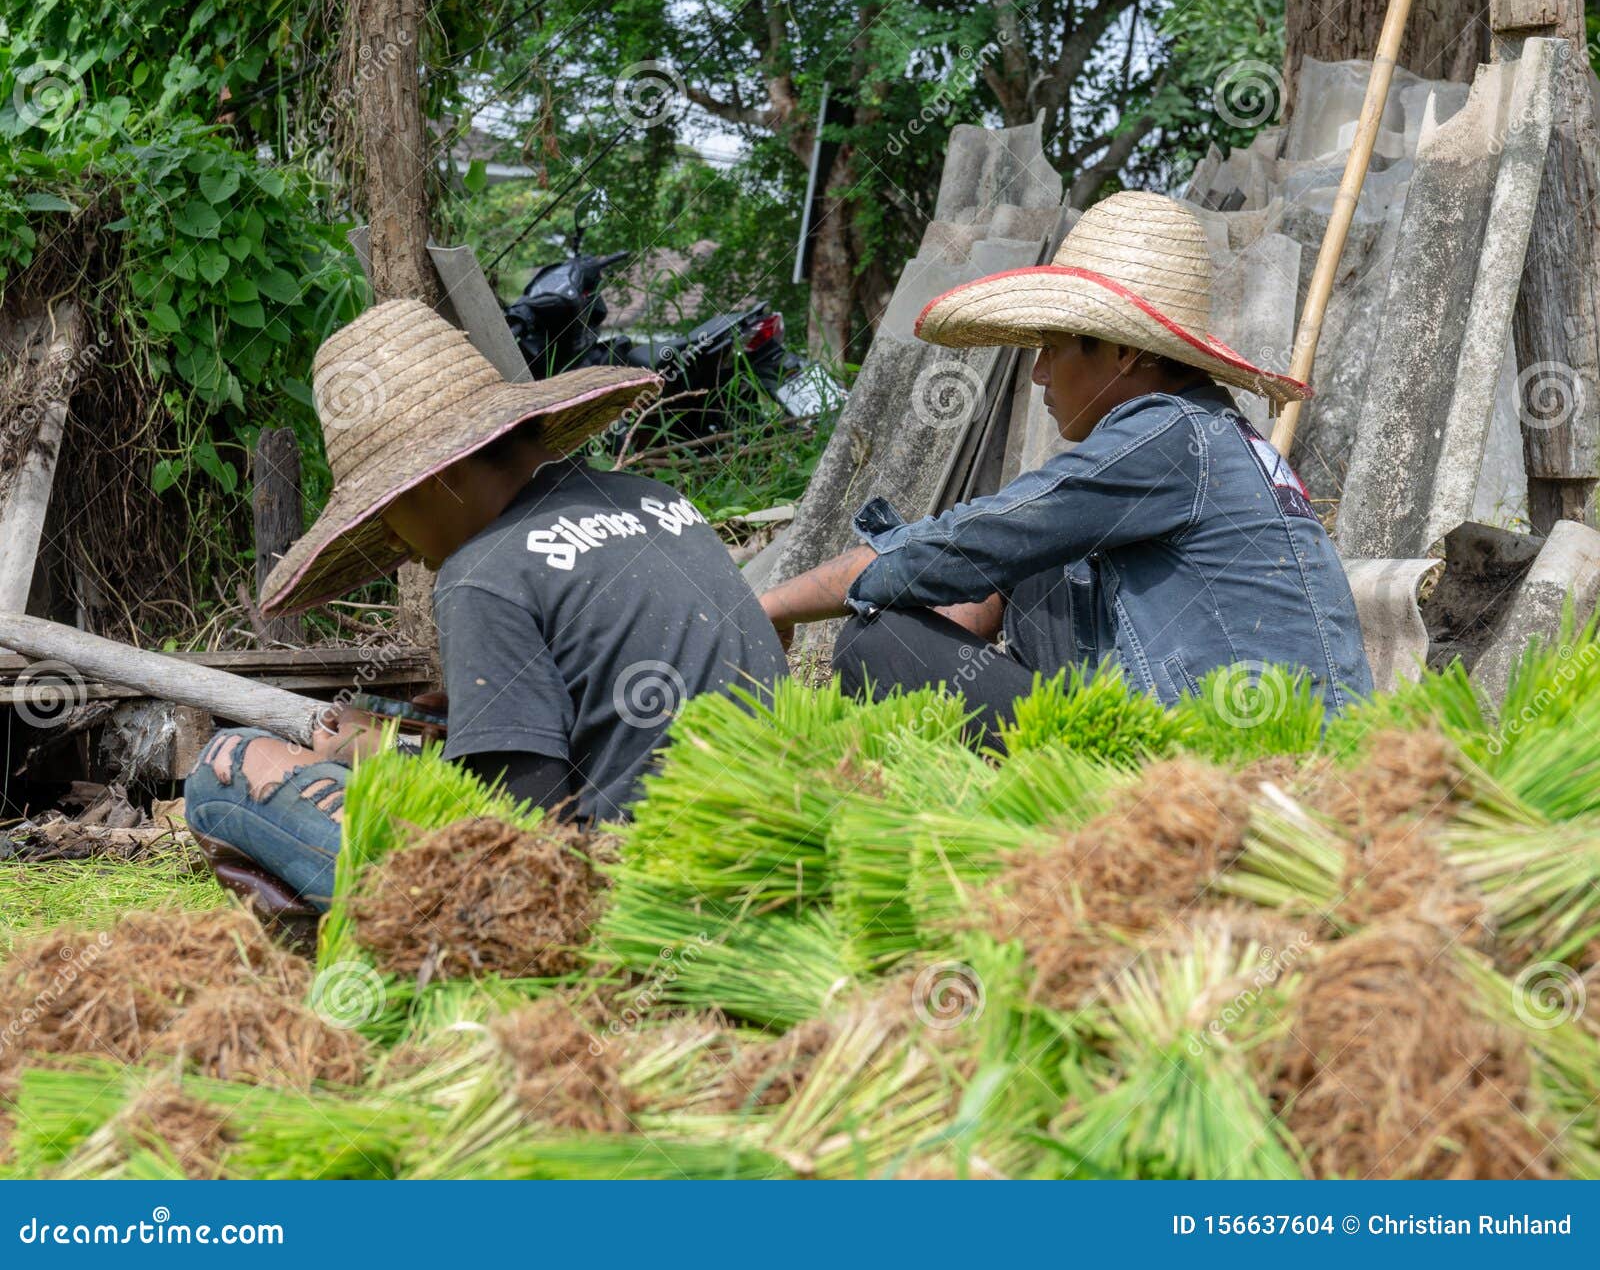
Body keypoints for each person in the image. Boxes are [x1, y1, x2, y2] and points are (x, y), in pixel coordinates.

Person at [186, 299, 787, 913]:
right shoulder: (653, 499)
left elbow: (522, 831)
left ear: (428, 481)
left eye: (383, 513)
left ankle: (398, 942)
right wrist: (445, 728)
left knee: (227, 768)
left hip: (622, 893)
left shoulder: (481, 574)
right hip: (769, 849)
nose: (393, 542)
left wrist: (379, 764)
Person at [760, 190, 1372, 739]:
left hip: (1230, 760)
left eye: (1052, 348)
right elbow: (1006, 545)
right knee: (1032, 556)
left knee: (880, 643)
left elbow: (960, 544)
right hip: (1252, 731)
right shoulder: (1207, 434)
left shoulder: (1168, 436)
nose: (1039, 374)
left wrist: (774, 606)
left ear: (1126, 353)